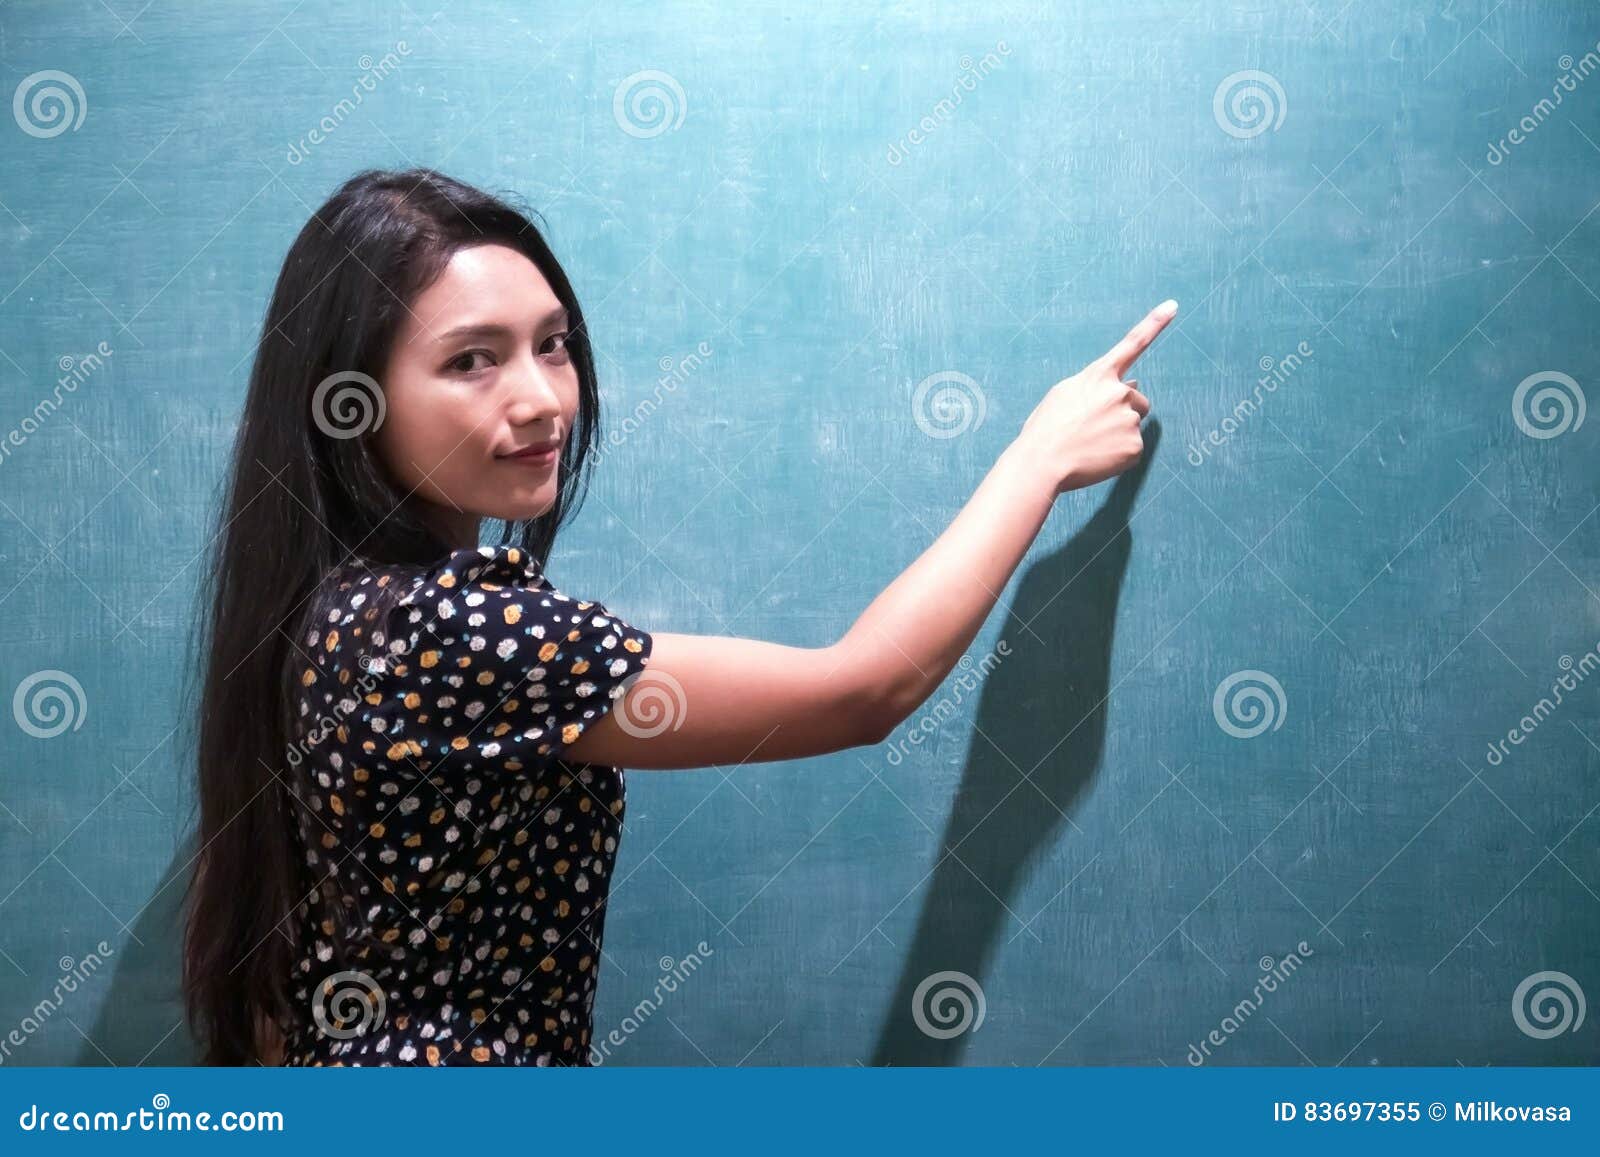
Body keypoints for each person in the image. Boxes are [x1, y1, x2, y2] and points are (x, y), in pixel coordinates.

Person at [180, 166, 1174, 1066]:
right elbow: (867, 686)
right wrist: (1037, 458)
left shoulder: (333, 611)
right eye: (472, 360)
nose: (542, 400)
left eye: (553, 344)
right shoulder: (447, 630)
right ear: (351, 398)